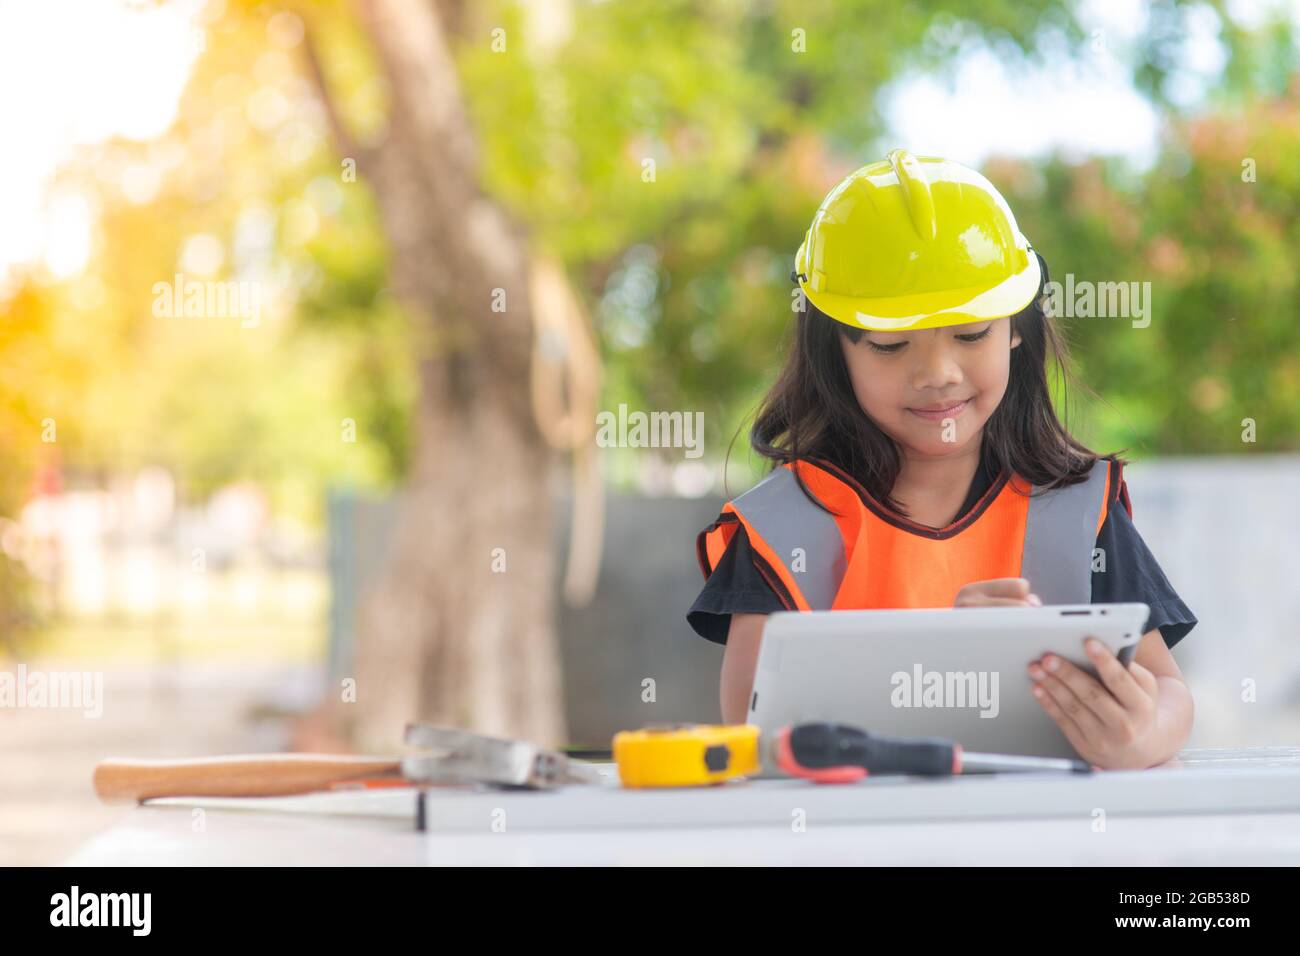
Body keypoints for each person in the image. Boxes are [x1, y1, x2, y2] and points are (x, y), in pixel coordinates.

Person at [687, 149, 1196, 769]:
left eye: (972, 334)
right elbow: (753, 738)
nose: (938, 374)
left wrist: (1143, 733)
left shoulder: (1076, 508)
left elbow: (1169, 692)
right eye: (892, 345)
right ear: (835, 350)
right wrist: (943, 661)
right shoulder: (783, 529)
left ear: (1016, 328)